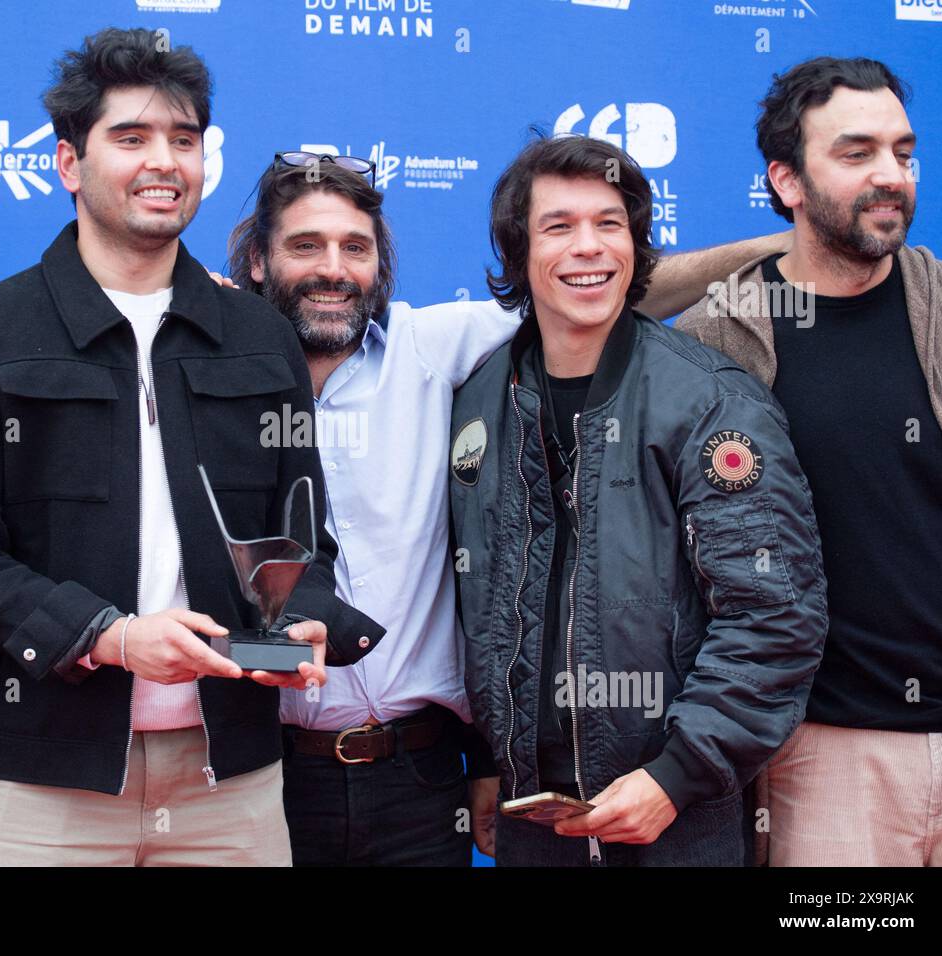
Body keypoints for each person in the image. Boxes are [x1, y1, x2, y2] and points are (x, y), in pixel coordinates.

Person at [229, 150, 798, 865]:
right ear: (257, 260)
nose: (334, 269)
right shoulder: (209, 376)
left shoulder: (434, 349)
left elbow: (595, 289)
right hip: (263, 774)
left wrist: (783, 243)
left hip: (420, 778)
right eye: (305, 246)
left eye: (356, 247)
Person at [0, 27, 382, 867]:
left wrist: (304, 620)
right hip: (39, 788)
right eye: (131, 138)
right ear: (66, 163)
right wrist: (109, 636)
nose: (164, 161)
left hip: (227, 784)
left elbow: (302, 540)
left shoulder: (259, 338)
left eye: (185, 140)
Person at [452, 132, 828, 866]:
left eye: (609, 224)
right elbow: (480, 607)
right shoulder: (480, 399)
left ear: (637, 244)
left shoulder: (711, 402)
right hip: (534, 820)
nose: (588, 248)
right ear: (518, 252)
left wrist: (674, 776)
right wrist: (489, 763)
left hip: (675, 817)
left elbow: (775, 616)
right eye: (558, 227)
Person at [678, 56, 942, 866]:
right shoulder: (716, 337)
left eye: (903, 154)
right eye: (856, 153)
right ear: (787, 180)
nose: (890, 176)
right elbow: (594, 295)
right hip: (824, 758)